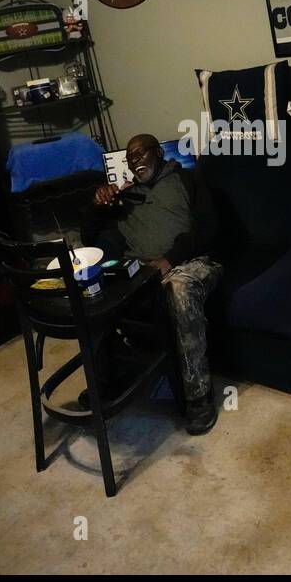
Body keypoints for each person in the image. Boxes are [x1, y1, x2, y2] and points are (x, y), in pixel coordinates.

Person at [81, 134, 221, 434]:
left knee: (178, 288)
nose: (134, 161)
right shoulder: (125, 196)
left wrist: (169, 260)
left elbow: (209, 228)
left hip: (190, 263)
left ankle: (199, 398)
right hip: (140, 272)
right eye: (129, 158)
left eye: (139, 153)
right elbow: (90, 239)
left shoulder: (188, 179)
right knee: (93, 290)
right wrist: (96, 205)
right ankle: (107, 381)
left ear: (157, 152)